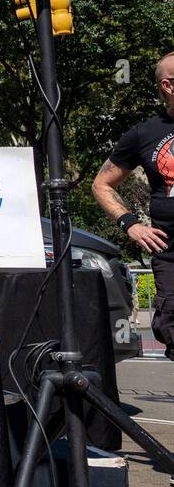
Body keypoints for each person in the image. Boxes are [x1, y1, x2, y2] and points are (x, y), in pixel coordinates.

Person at [91, 51, 174, 361]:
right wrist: (130, 224)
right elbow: (101, 184)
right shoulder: (144, 134)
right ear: (168, 86)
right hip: (171, 255)